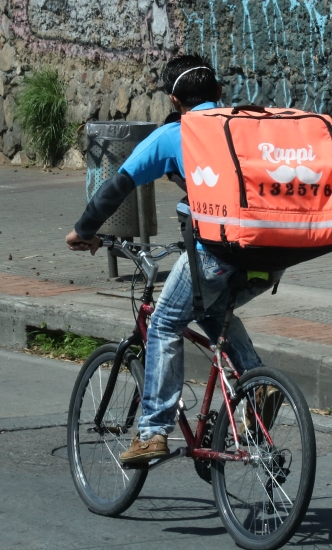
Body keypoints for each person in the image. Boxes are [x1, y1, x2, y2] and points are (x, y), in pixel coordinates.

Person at [65, 54, 280, 464]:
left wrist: (84, 230)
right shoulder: (248, 125)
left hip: (217, 254)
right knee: (212, 312)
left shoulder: (178, 134)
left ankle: (152, 432)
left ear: (173, 99)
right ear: (218, 92)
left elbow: (117, 185)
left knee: (164, 322)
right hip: (272, 254)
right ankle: (258, 383)